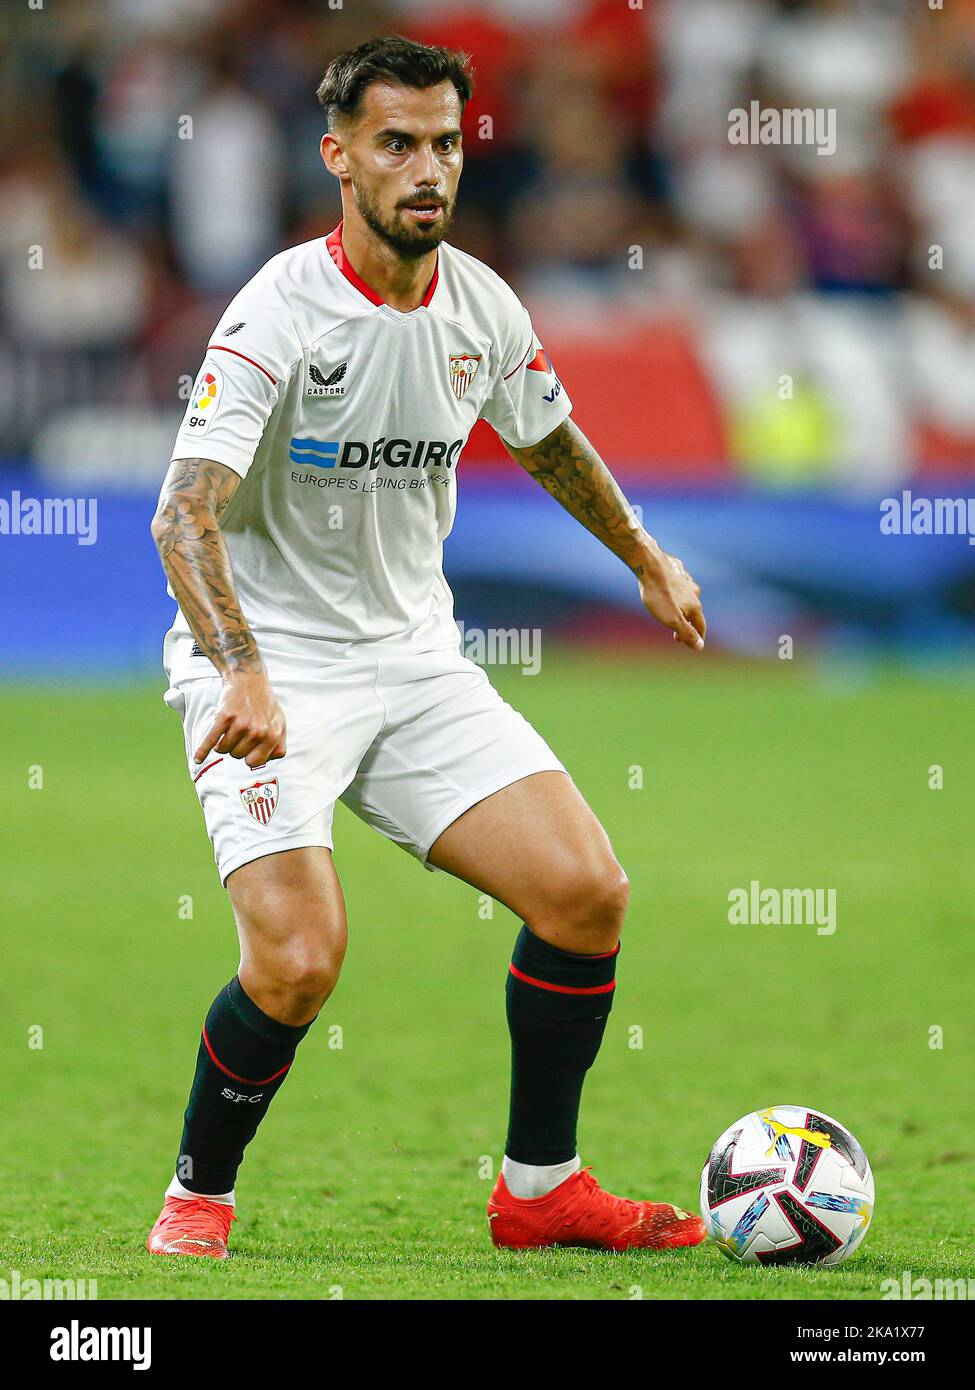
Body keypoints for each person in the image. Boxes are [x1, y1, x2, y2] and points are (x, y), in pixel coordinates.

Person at [146, 35, 706, 1260]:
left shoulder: (482, 304)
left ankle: (540, 1189)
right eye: (397, 144)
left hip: (414, 663)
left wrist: (644, 556)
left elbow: (550, 437)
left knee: (585, 895)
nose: (428, 169)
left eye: (446, 143)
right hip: (269, 667)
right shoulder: (278, 311)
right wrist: (239, 664)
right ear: (338, 158)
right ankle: (199, 1192)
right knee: (297, 961)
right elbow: (180, 511)